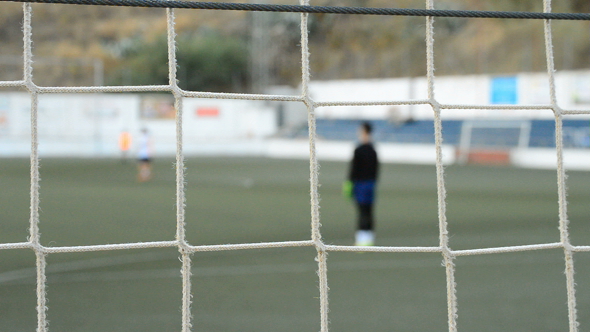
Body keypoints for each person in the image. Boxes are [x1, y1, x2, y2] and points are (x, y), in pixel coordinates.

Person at [345, 122, 379, 246]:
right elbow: (376, 170)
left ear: (364, 131)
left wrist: (349, 183)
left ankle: (362, 239)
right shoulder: (373, 149)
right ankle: (369, 238)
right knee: (369, 211)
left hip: (360, 185)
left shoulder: (359, 150)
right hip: (370, 184)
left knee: (362, 211)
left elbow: (353, 169)